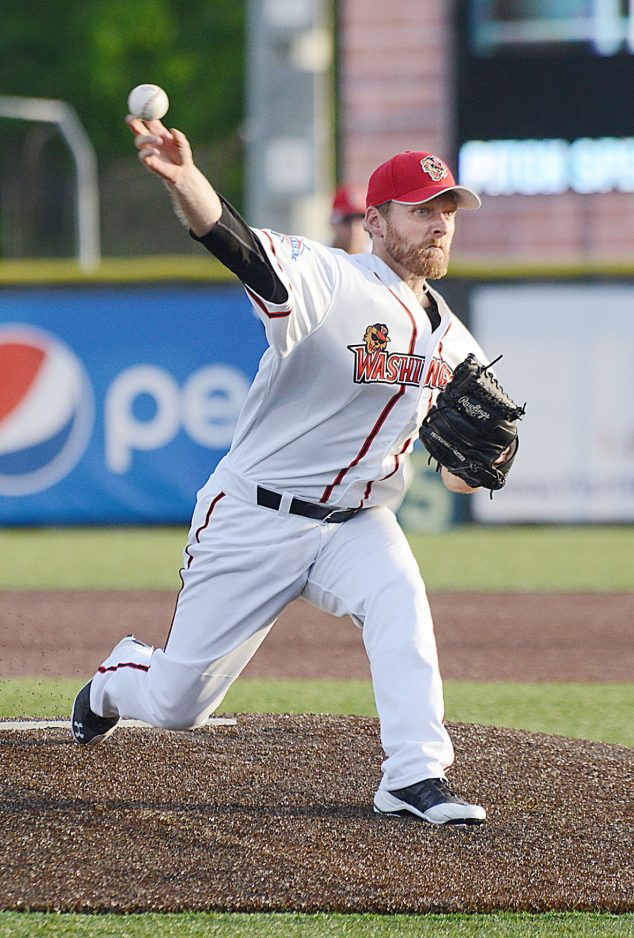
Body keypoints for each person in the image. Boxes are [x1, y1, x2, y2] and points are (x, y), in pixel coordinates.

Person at [71, 120, 491, 826]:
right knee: (177, 706)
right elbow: (234, 243)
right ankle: (118, 676)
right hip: (254, 516)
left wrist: (485, 461)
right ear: (375, 221)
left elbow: (459, 482)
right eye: (421, 209)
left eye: (447, 209)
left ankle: (414, 775)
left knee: (400, 597)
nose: (439, 223)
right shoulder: (331, 278)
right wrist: (186, 180)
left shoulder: (457, 342)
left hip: (356, 521)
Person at [330, 183, 370, 253]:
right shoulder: (318, 255)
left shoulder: (380, 257)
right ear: (333, 223)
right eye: (347, 219)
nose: (353, 228)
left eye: (361, 217)